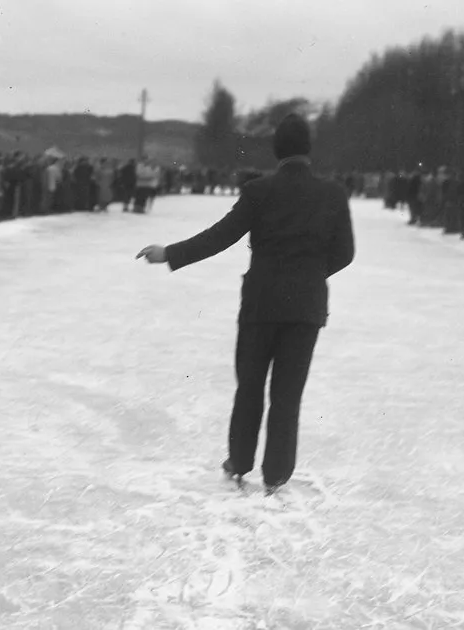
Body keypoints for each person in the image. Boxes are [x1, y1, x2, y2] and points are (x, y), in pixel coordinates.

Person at [136, 114, 356, 496]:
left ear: (277, 149)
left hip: (260, 305)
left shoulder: (260, 190)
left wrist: (168, 253)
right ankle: (276, 474)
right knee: (288, 396)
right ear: (308, 148)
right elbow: (345, 253)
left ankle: (239, 462)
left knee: (250, 388)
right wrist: (309, 277)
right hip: (305, 310)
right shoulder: (333, 194)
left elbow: (219, 237)